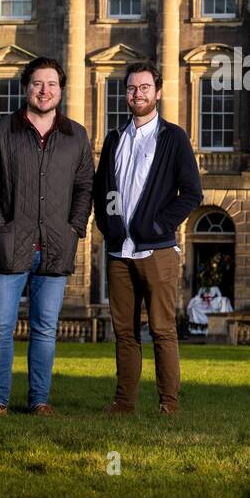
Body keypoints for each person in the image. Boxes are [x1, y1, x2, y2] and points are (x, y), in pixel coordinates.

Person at [0, 56, 93, 415]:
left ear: (61, 90)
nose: (44, 90)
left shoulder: (76, 136)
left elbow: (85, 186)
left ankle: (39, 401)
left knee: (45, 330)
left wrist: (74, 229)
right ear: (26, 88)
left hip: (56, 247)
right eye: (38, 83)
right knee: (0, 328)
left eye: (51, 84)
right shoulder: (2, 131)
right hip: (9, 247)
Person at [93, 61, 203, 414]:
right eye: (131, 88)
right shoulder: (114, 139)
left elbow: (191, 193)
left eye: (144, 88)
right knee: (124, 333)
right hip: (118, 253)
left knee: (162, 330)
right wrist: (109, 227)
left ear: (158, 92)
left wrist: (157, 227)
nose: (137, 94)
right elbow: (103, 191)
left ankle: (168, 404)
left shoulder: (173, 138)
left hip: (157, 252)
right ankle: (124, 403)